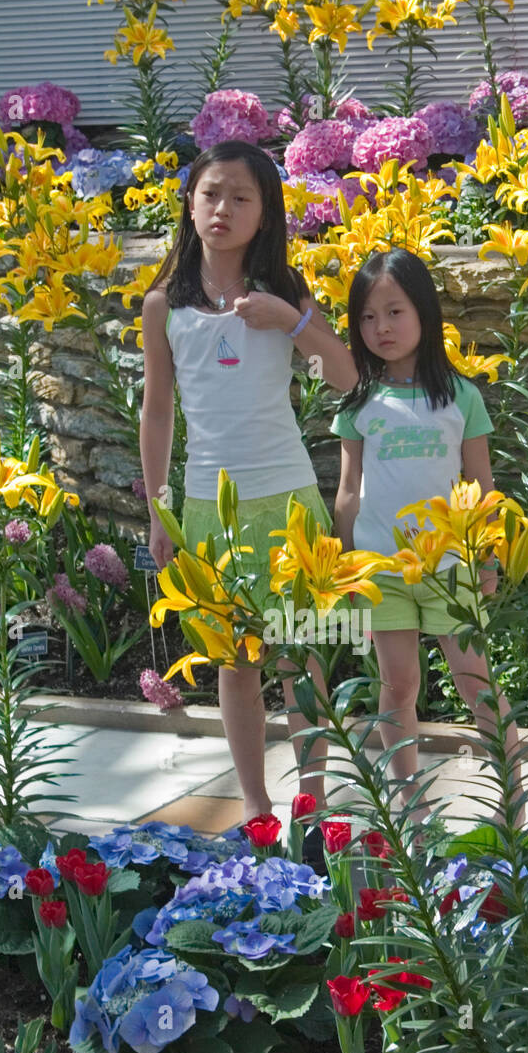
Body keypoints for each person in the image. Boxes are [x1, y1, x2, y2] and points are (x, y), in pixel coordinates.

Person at [139, 139, 358, 867]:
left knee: (301, 659)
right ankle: (258, 810)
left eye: (240, 197)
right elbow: (158, 411)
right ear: (189, 204)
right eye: (209, 194)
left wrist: (293, 323)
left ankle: (313, 805)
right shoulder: (164, 304)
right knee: (235, 661)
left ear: (265, 215)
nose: (221, 208)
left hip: (289, 501)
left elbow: (343, 376)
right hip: (209, 509)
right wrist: (160, 509)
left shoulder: (285, 293)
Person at [331, 247, 526, 833]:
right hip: (381, 572)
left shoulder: (461, 397)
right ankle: (408, 805)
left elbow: (481, 488)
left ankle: (513, 798)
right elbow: (347, 493)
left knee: (475, 683)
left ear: (425, 312)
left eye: (394, 312)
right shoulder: (358, 401)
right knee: (398, 686)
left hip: (450, 567)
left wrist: (487, 557)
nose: (381, 328)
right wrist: (341, 569)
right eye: (367, 317)